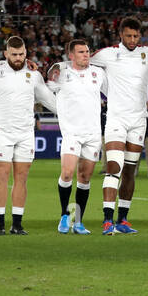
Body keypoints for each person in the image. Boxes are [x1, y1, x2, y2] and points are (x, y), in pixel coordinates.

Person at [0, 36, 57, 235]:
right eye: (14, 54)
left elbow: (49, 100)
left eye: (21, 54)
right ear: (6, 54)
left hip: (25, 132)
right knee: (1, 176)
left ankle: (17, 224)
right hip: (2, 131)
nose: (18, 58)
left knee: (21, 178)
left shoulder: (34, 75)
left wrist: (70, 113)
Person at [90, 17, 148, 234]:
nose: (132, 40)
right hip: (116, 118)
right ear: (120, 34)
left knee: (130, 170)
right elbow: (81, 62)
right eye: (128, 36)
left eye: (136, 36)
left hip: (139, 120)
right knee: (114, 167)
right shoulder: (108, 54)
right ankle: (106, 219)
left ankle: (122, 219)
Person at [46, 39, 107, 235]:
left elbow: (112, 94)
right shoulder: (62, 74)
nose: (86, 54)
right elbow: (48, 80)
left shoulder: (99, 74)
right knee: (67, 173)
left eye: (87, 51)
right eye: (81, 52)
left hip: (93, 133)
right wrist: (56, 67)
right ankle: (64, 215)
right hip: (72, 132)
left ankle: (78, 221)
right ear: (71, 55)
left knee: (85, 177)